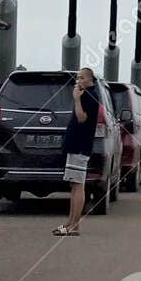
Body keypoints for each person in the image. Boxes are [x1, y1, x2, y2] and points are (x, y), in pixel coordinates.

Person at [53, 68, 99, 237]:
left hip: (80, 145)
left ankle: (75, 225)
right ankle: (70, 223)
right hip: (75, 145)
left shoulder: (90, 96)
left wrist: (77, 100)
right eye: (77, 78)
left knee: (78, 185)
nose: (78, 81)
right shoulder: (87, 94)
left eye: (81, 78)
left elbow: (82, 118)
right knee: (73, 184)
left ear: (89, 79)